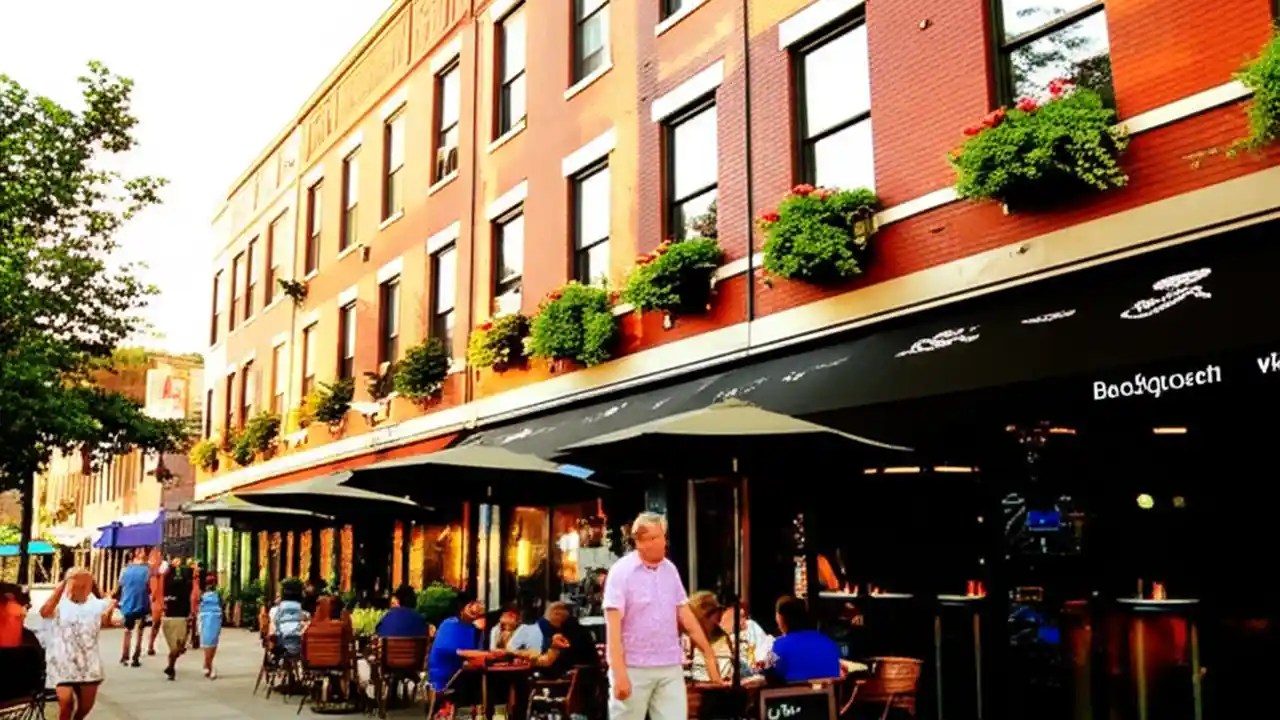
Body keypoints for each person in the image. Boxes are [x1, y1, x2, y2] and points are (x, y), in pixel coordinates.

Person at [605, 512, 721, 720]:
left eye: (663, 537)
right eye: (655, 538)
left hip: (669, 663)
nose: (663, 543)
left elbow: (685, 614)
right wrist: (618, 671)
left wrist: (707, 651)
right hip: (633, 665)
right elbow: (613, 626)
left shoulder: (670, 570)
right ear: (640, 541)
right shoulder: (621, 572)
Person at [41, 568, 117, 720]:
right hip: (62, 662)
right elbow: (45, 612)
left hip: (88, 664)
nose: (79, 587)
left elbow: (110, 623)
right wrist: (61, 587)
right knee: (66, 703)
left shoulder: (98, 604)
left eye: (84, 583)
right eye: (75, 582)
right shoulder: (60, 603)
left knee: (84, 709)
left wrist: (108, 612)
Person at [764, 596, 841, 684]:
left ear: (780, 618)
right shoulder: (828, 642)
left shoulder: (779, 646)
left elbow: (769, 675)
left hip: (793, 696)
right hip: (826, 696)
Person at [427, 596, 494, 691]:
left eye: (476, 604)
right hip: (447, 677)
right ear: (461, 610)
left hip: (463, 673)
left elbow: (477, 654)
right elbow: (458, 652)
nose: (475, 608)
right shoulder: (449, 624)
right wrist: (489, 654)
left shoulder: (474, 629)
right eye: (470, 606)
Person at [159, 557, 199, 680]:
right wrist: (193, 612)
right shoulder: (188, 581)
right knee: (178, 647)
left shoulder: (166, 578)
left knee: (176, 647)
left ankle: (171, 667)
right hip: (179, 617)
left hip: (170, 617)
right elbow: (194, 595)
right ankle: (171, 666)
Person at [115, 547, 151, 666]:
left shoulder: (125, 569)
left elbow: (120, 584)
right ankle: (135, 656)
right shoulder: (147, 570)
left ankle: (125, 656)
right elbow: (149, 586)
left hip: (127, 602)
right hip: (141, 602)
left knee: (127, 630)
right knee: (139, 630)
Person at [268, 578, 311, 658]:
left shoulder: (274, 611)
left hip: (280, 647)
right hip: (301, 649)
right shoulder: (305, 614)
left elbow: (272, 632)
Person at [197, 573, 223, 680]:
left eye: (212, 583)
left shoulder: (218, 595)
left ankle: (208, 664)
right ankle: (208, 664)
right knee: (207, 641)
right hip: (205, 618)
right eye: (208, 583)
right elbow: (197, 605)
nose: (210, 585)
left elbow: (221, 605)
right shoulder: (201, 594)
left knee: (213, 641)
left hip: (215, 618)